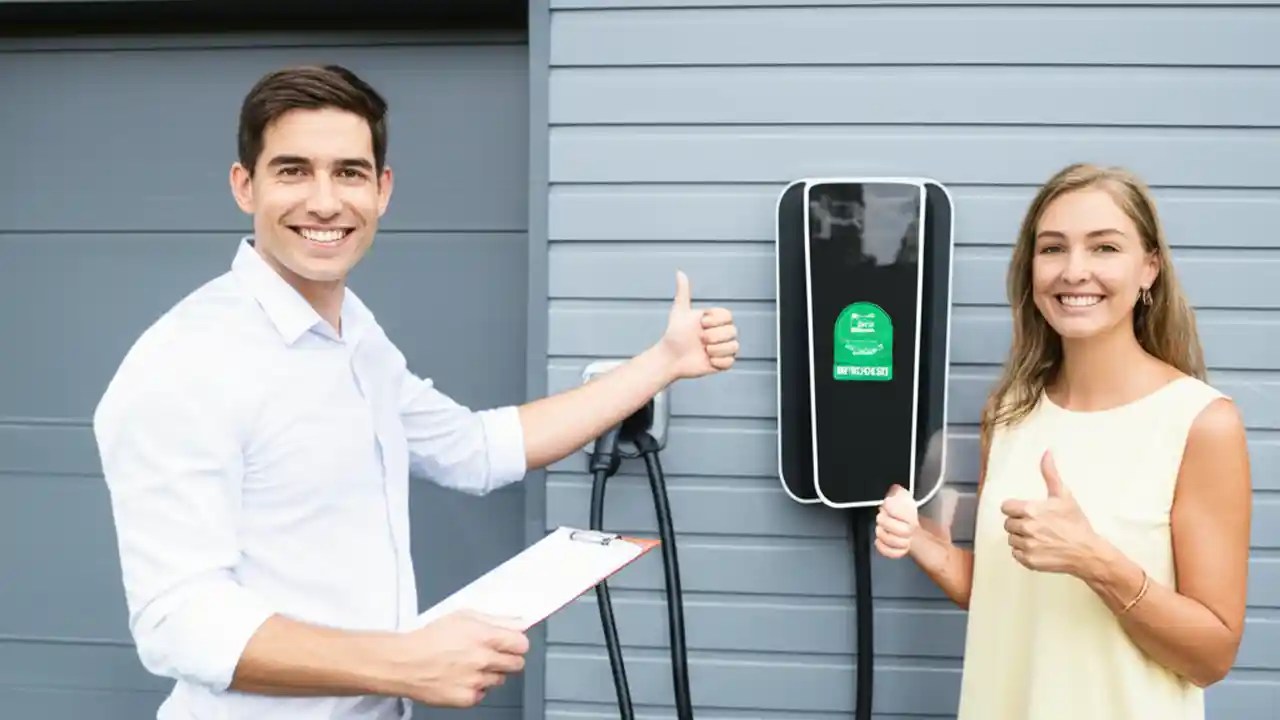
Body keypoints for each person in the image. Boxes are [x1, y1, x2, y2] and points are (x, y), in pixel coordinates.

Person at [91, 65, 740, 720]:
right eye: (292, 171)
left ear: (382, 190)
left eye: (348, 172)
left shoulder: (354, 337)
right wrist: (411, 663)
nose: (323, 201)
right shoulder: (184, 363)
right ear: (244, 186)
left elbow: (474, 449)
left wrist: (664, 361)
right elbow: (178, 620)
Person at [874, 163, 1252, 719]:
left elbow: (1211, 656)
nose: (1074, 271)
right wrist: (931, 551)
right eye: (1053, 249)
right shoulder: (1007, 413)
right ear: (1030, 270)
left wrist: (1096, 560)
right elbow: (1008, 602)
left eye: (1104, 248)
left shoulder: (1201, 423)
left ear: (1149, 268)